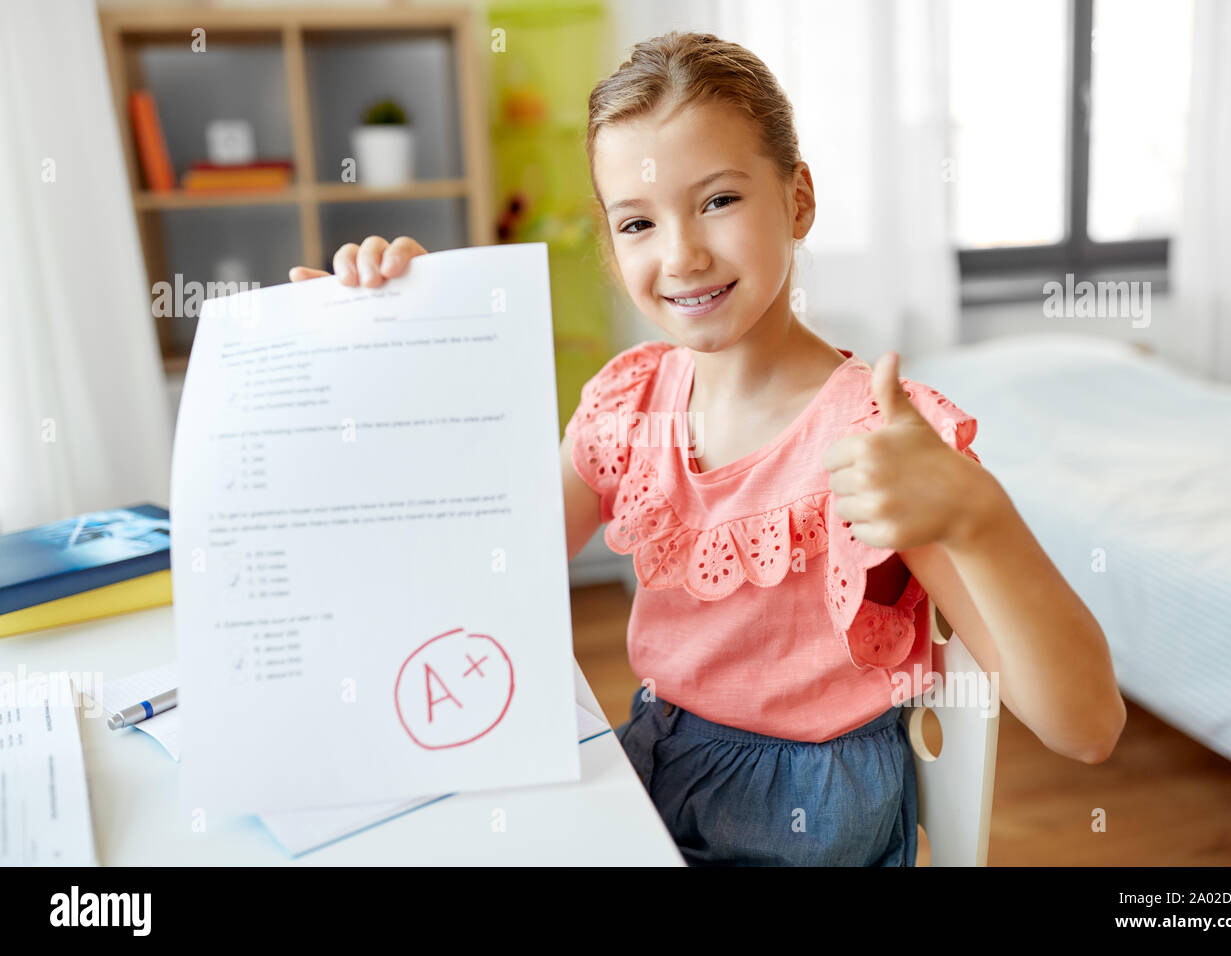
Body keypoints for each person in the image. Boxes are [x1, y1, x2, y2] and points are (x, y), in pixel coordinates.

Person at [291, 30, 1125, 867]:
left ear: (798, 199)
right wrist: (390, 363)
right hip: (654, 779)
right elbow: (480, 583)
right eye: (639, 222)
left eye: (719, 200)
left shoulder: (883, 440)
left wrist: (979, 517)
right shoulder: (629, 404)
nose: (681, 253)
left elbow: (1087, 728)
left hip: (807, 833)